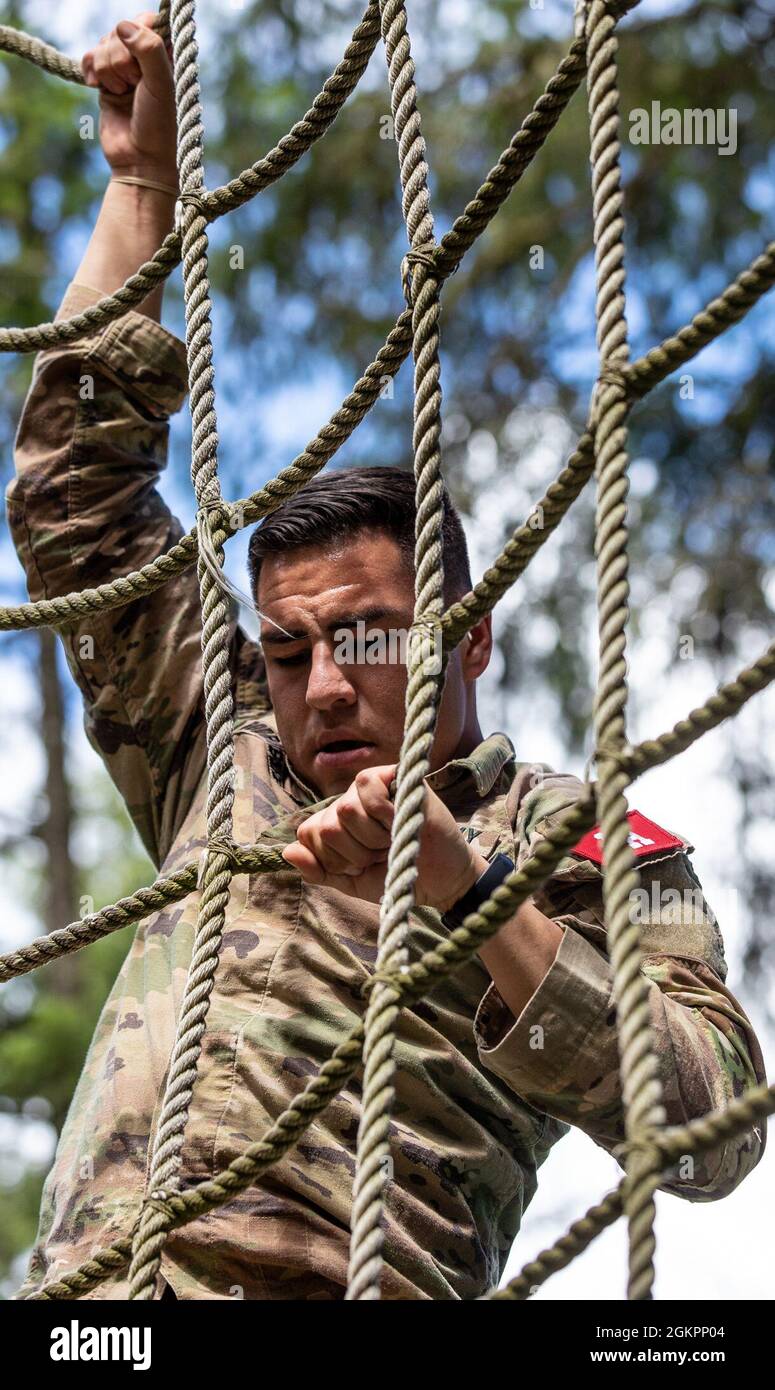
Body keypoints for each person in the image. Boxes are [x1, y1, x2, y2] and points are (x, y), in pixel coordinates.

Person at [7, 13, 766, 1301]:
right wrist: (138, 187)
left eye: (367, 637)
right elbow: (77, 494)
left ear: (467, 640)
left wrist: (464, 887)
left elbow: (717, 1122)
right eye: (289, 650)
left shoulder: (582, 841)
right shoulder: (223, 750)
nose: (325, 685)